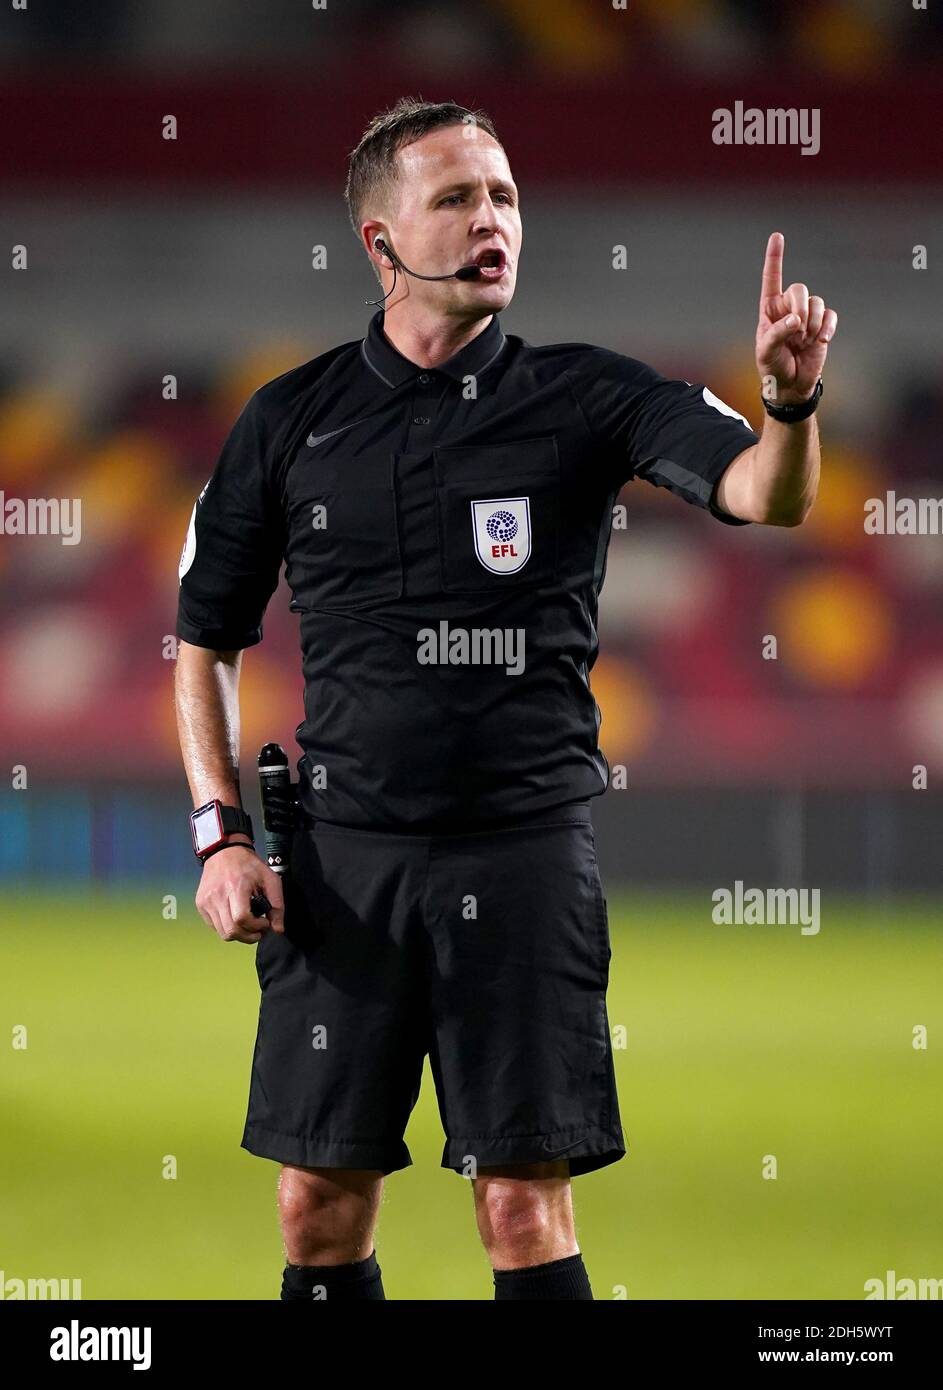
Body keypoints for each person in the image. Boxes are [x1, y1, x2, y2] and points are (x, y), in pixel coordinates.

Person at [173, 97, 837, 1301]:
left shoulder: (586, 397)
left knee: (522, 1207)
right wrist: (220, 833)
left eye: (506, 195)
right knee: (316, 1207)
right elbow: (202, 641)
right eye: (458, 199)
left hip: (523, 856)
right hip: (342, 868)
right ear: (382, 246)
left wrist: (789, 405)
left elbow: (764, 495)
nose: (495, 221)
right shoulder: (288, 420)